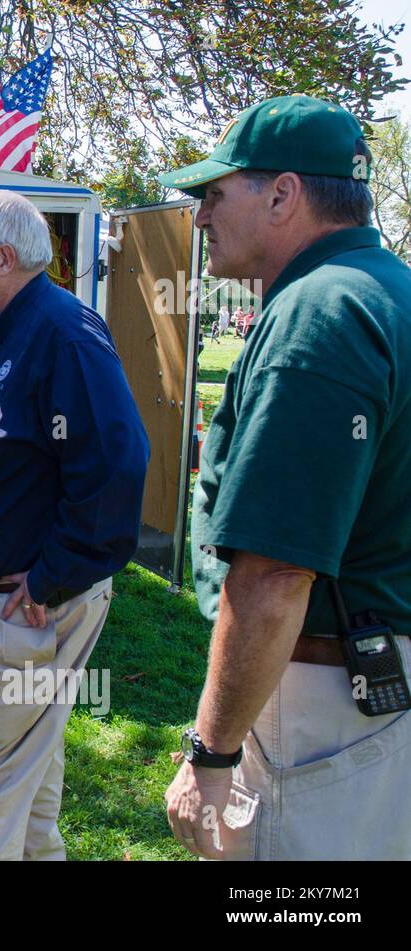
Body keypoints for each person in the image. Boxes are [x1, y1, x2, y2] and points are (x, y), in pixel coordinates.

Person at [159, 94, 411, 860]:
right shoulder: (388, 288)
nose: (200, 218)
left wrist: (211, 752)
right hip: (373, 695)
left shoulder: (320, 312)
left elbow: (274, 575)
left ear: (283, 193)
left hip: (326, 704)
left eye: (214, 194)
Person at [0, 191, 150, 860]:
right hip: (4, 609)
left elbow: (117, 460)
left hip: (19, 609)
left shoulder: (61, 331)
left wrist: (54, 572)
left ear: (3, 256)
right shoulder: (17, 325)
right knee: (31, 789)